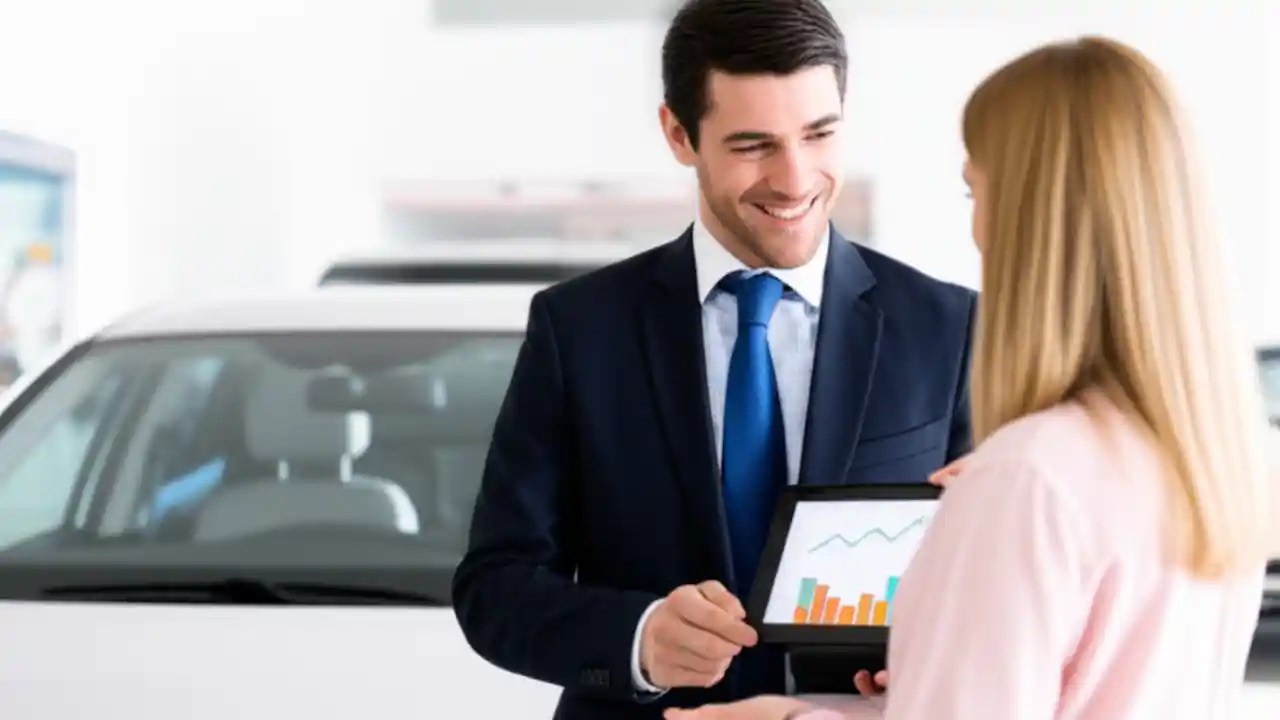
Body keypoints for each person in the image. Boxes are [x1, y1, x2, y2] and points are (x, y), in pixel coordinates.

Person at [663, 35, 1275, 720]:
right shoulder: (1213, 462)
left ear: (1028, 216)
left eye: (974, 191)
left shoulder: (1028, 476)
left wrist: (791, 718)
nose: (978, 227)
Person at [451, 1, 976, 718]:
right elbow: (496, 585)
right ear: (678, 134)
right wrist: (636, 640)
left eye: (818, 135)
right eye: (754, 145)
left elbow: (989, 584)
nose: (795, 181)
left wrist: (926, 658)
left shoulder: (947, 328)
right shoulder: (579, 329)